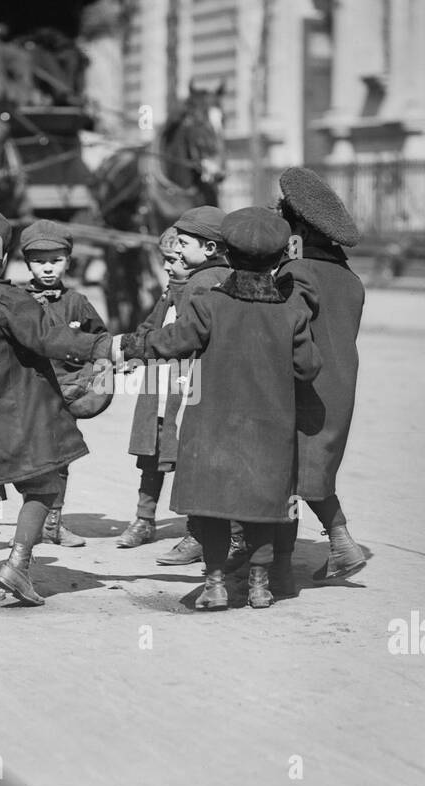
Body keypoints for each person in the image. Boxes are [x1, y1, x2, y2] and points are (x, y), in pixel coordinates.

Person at [116, 207, 322, 610]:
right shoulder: (292, 312)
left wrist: (123, 346)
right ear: (279, 260)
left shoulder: (210, 305)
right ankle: (260, 585)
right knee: (262, 505)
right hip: (270, 428)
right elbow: (308, 367)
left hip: (212, 425)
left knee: (212, 506)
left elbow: (171, 341)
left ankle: (213, 584)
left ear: (229, 255)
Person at [0, 205, 111, 606]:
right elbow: (49, 337)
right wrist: (103, 346)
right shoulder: (9, 299)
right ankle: (17, 565)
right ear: (1, 254)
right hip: (17, 418)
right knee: (43, 484)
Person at [276, 166, 372, 587]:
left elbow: (285, 332)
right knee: (310, 470)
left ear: (297, 225)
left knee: (283, 474)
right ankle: (340, 542)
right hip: (338, 387)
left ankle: (276, 568)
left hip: (301, 385)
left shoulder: (297, 274)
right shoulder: (350, 279)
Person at [118, 207, 230, 562]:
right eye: (166, 259)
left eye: (175, 257)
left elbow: (188, 336)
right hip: (159, 382)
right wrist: (135, 353)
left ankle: (197, 531)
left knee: (184, 450)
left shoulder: (202, 285)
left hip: (185, 383)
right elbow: (150, 328)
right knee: (152, 449)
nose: (168, 265)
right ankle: (144, 518)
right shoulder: (174, 288)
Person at [19, 219, 107, 547]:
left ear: (68, 261)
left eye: (55, 260)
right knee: (29, 458)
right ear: (27, 262)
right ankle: (31, 518)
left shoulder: (77, 302)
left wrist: (98, 367)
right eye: (39, 261)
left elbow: (100, 338)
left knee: (62, 456)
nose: (47, 268)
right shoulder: (16, 299)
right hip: (29, 391)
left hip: (67, 391)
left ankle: (53, 522)